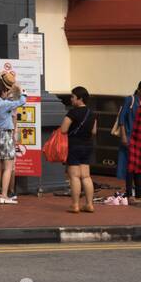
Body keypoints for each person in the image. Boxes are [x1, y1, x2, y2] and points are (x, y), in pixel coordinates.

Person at [116, 80, 141, 203]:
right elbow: (121, 118)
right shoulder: (130, 100)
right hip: (131, 137)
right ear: (138, 89)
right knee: (130, 166)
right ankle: (129, 194)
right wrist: (123, 136)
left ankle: (139, 194)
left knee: (139, 166)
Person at [0, 76, 27, 204]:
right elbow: (21, 101)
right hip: (5, 136)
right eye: (5, 91)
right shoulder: (5, 104)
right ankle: (4, 196)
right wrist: (21, 91)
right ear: (2, 93)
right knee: (8, 167)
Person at [60, 86, 97, 214]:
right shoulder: (91, 113)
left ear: (79, 99)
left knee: (74, 176)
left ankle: (75, 205)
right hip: (87, 146)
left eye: (72, 97)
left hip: (74, 145)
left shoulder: (72, 113)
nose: (71, 99)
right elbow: (94, 131)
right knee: (86, 176)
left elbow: (63, 129)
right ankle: (89, 204)